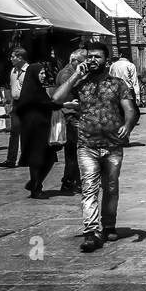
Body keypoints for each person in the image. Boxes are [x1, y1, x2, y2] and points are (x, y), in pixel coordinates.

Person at [51, 41, 138, 253]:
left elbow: (130, 109)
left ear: (106, 61)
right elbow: (56, 99)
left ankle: (108, 226)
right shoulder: (80, 84)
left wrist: (128, 125)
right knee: (89, 188)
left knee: (110, 187)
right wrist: (74, 76)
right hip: (87, 144)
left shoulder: (118, 84)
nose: (92, 60)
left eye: (97, 57)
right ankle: (90, 232)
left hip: (112, 145)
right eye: (89, 56)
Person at [14, 60, 58, 197]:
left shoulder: (39, 90)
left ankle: (34, 183)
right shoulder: (30, 92)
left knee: (50, 158)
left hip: (43, 128)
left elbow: (47, 104)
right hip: (34, 130)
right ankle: (36, 188)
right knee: (36, 158)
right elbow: (43, 105)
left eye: (44, 73)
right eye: (41, 73)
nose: (43, 75)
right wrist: (64, 105)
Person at [55, 49, 87, 192]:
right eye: (82, 62)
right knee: (76, 150)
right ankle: (72, 181)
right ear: (73, 61)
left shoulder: (74, 73)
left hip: (75, 114)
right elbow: (72, 88)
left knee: (73, 151)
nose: (84, 65)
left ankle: (70, 181)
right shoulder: (66, 74)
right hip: (70, 115)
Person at [0, 46, 30, 168]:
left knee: (27, 132)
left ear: (20, 57)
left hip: (27, 104)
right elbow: (11, 87)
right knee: (14, 131)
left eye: (13, 56)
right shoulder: (13, 71)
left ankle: (27, 158)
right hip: (16, 104)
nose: (11, 59)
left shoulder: (30, 70)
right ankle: (11, 160)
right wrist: (9, 103)